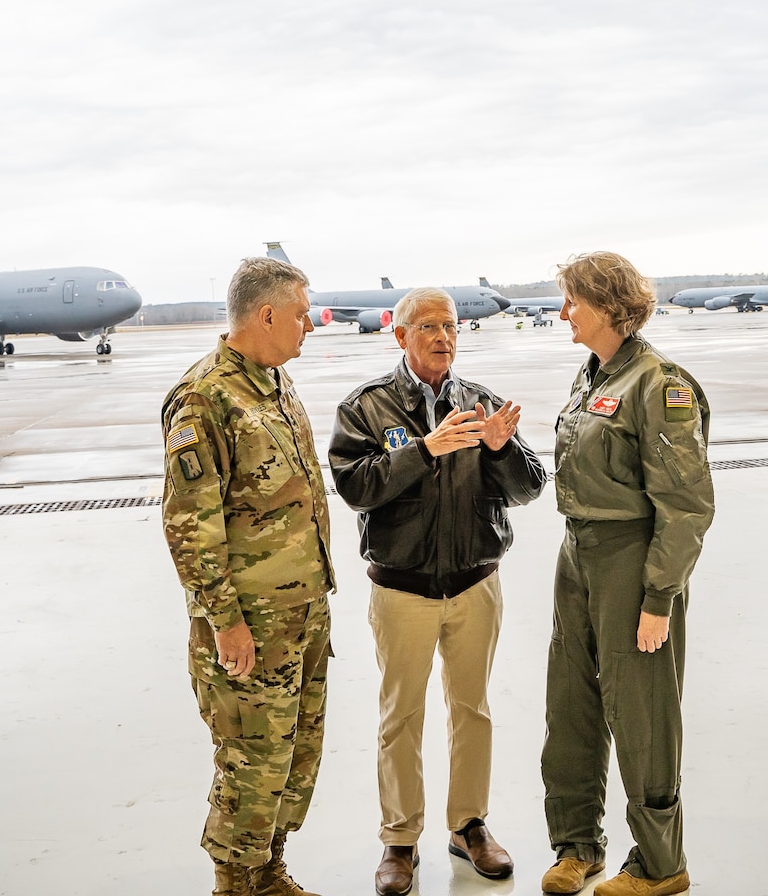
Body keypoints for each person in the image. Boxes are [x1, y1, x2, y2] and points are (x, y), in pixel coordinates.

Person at [327, 287, 546, 896]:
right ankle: (399, 840)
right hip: (402, 591)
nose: (443, 336)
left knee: (471, 710)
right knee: (401, 715)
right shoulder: (366, 409)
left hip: (475, 584)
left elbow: (529, 487)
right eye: (428, 326)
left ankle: (468, 826)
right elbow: (355, 488)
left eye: (449, 326)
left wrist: (501, 449)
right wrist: (425, 450)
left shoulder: (482, 404)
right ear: (400, 336)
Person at [540, 253, 715, 896]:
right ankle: (577, 846)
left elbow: (687, 505)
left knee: (642, 711)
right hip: (577, 556)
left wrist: (658, 596)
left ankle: (661, 863)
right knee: (571, 703)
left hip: (631, 560)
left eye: (572, 302)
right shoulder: (591, 378)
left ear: (609, 306)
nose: (564, 314)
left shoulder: (658, 383)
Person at [160, 257, 335, 896]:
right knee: (251, 759)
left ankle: (268, 872)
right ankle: (235, 884)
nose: (309, 326)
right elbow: (189, 526)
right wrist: (224, 622)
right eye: (299, 314)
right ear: (266, 315)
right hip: (250, 623)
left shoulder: (275, 383)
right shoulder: (206, 397)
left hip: (303, 612)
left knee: (295, 753)